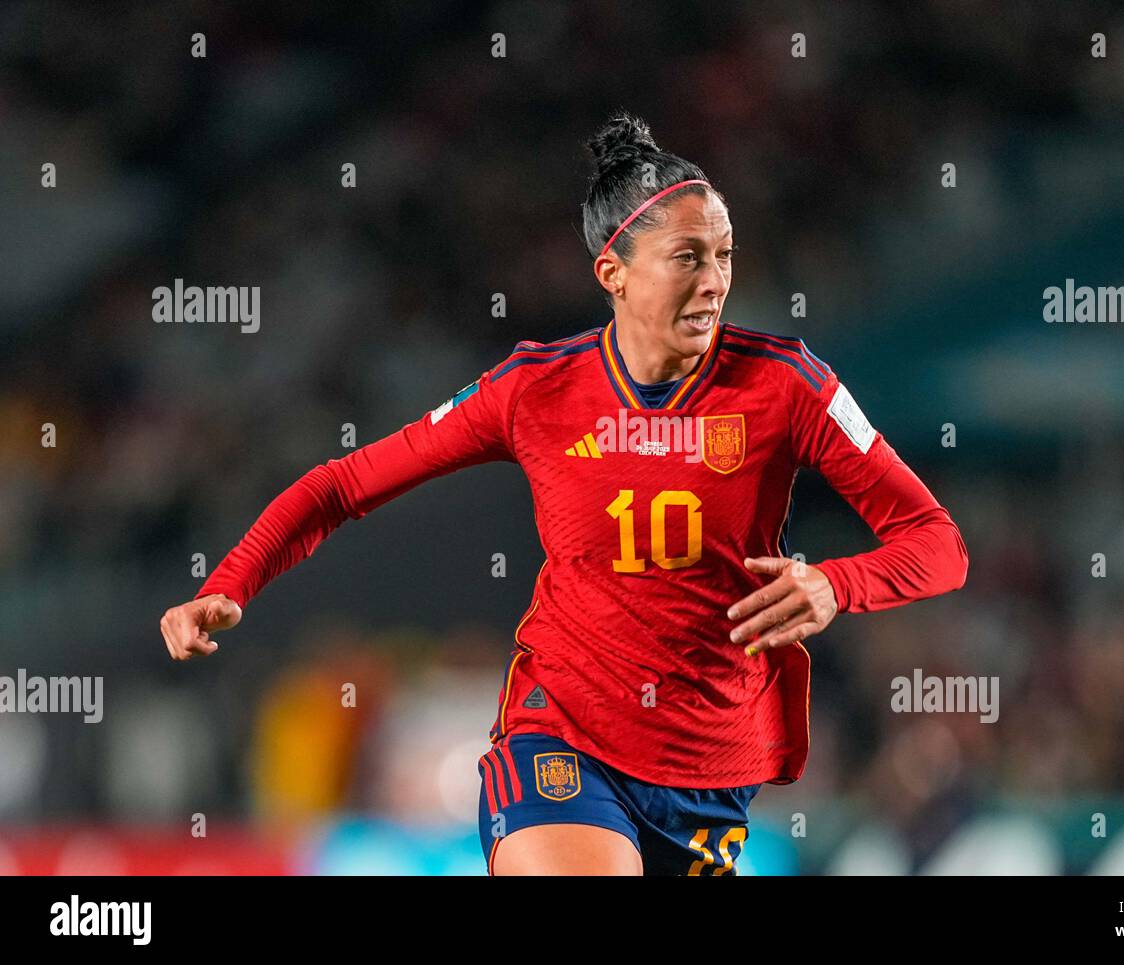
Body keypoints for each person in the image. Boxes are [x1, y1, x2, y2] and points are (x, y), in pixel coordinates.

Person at [159, 111, 969, 876]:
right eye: (688, 256)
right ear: (613, 272)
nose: (716, 280)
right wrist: (231, 582)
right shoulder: (536, 390)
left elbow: (938, 543)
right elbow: (346, 483)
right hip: (562, 736)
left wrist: (837, 582)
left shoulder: (789, 385)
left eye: (725, 255)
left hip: (708, 767)